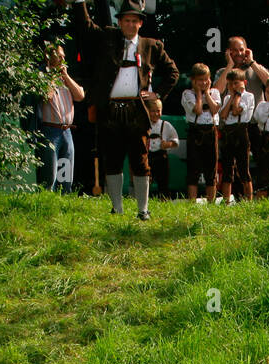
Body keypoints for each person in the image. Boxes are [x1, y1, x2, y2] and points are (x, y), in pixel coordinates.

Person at [71, 0, 179, 219]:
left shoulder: (151, 45)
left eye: (134, 21)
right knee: (112, 159)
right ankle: (117, 209)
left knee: (141, 160)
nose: (130, 25)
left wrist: (156, 93)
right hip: (110, 111)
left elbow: (173, 73)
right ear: (119, 22)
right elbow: (86, 27)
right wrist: (79, 3)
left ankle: (143, 210)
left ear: (140, 23)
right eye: (126, 20)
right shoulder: (108, 38)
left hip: (137, 111)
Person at [37, 44, 86, 193]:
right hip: (50, 130)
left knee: (65, 174)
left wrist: (65, 76)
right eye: (59, 56)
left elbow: (80, 96)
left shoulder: (65, 78)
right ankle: (47, 202)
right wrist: (53, 75)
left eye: (63, 56)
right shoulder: (42, 77)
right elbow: (46, 95)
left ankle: (64, 198)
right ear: (49, 57)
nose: (63, 59)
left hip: (67, 132)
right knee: (50, 174)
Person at [182, 64, 222, 204]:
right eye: (200, 80)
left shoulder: (215, 93)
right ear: (193, 80)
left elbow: (215, 109)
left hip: (210, 131)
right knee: (194, 168)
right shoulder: (187, 94)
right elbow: (198, 110)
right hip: (196, 131)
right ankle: (192, 202)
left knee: (211, 168)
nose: (204, 83)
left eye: (206, 79)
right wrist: (199, 93)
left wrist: (206, 93)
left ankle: (211, 202)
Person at [218, 70, 256, 204]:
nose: (232, 87)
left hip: (241, 131)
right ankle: (226, 200)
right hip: (228, 133)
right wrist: (231, 97)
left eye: (235, 83)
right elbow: (223, 115)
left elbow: (236, 110)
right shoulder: (227, 98)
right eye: (230, 84)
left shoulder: (248, 96)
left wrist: (238, 95)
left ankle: (249, 200)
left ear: (243, 83)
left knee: (243, 168)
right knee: (227, 169)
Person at [144, 95, 179, 199]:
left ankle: (164, 200)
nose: (155, 114)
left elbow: (176, 141)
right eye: (152, 111)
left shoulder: (166, 125)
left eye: (158, 111)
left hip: (161, 157)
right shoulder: (145, 124)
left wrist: (168, 144)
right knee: (146, 181)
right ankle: (146, 200)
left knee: (163, 182)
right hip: (148, 157)